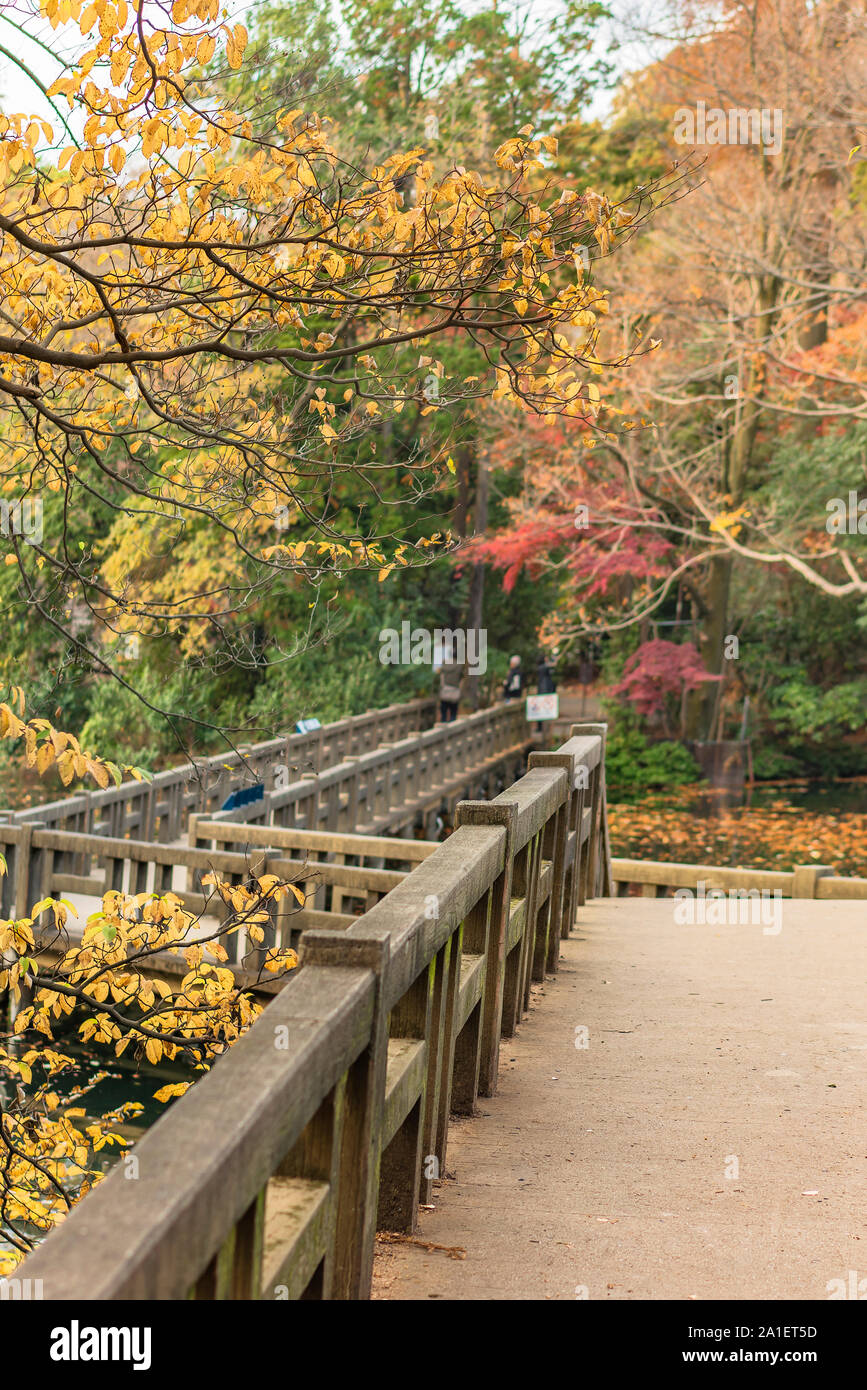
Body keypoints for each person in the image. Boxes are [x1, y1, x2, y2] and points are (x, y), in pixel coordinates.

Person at [438, 646, 463, 722]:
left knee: (444, 713)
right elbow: (461, 677)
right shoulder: (459, 665)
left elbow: (440, 675)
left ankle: (442, 730)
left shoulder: (444, 664)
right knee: (453, 713)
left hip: (445, 690)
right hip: (454, 691)